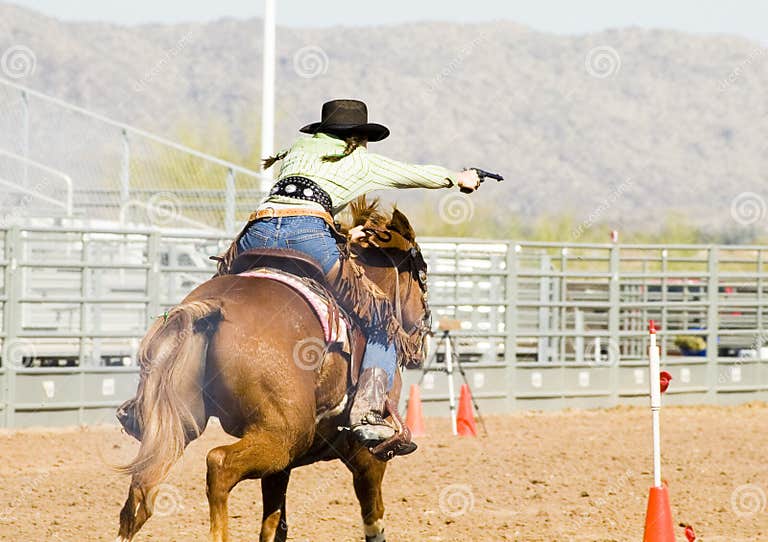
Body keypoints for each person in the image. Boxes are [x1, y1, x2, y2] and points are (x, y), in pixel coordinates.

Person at [236, 99, 480, 456]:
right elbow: (412, 174)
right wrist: (459, 179)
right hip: (306, 235)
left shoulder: (296, 151)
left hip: (254, 231)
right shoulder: (359, 160)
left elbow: (299, 198)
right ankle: (368, 413)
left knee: (222, 298)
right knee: (379, 316)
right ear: (358, 137)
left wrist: (337, 232)